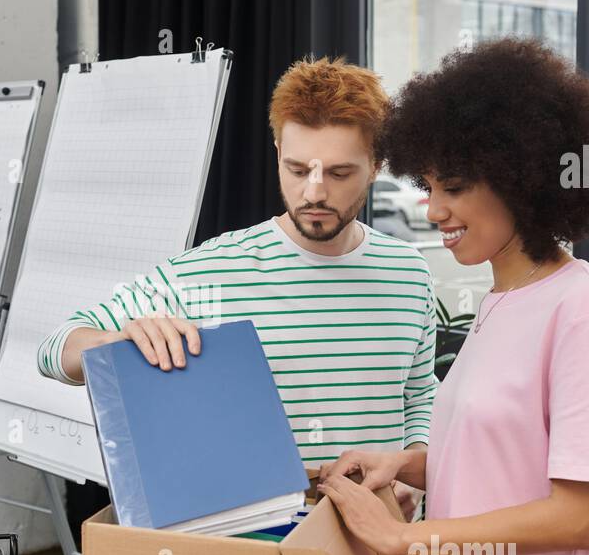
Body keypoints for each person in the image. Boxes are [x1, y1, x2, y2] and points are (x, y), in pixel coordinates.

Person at [317, 38, 589, 555]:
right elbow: (504, 460)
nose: (433, 210)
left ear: (520, 177)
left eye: (455, 187)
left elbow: (577, 514)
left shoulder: (582, 310)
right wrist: (399, 465)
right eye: (427, 187)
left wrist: (408, 540)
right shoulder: (499, 299)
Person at [36, 56, 437, 506]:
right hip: (260, 544)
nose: (315, 193)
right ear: (277, 154)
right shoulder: (212, 270)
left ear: (376, 165)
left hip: (379, 542)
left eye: (340, 173)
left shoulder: (410, 271)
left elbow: (419, 395)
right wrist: (116, 339)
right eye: (298, 169)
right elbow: (53, 350)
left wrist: (412, 467)